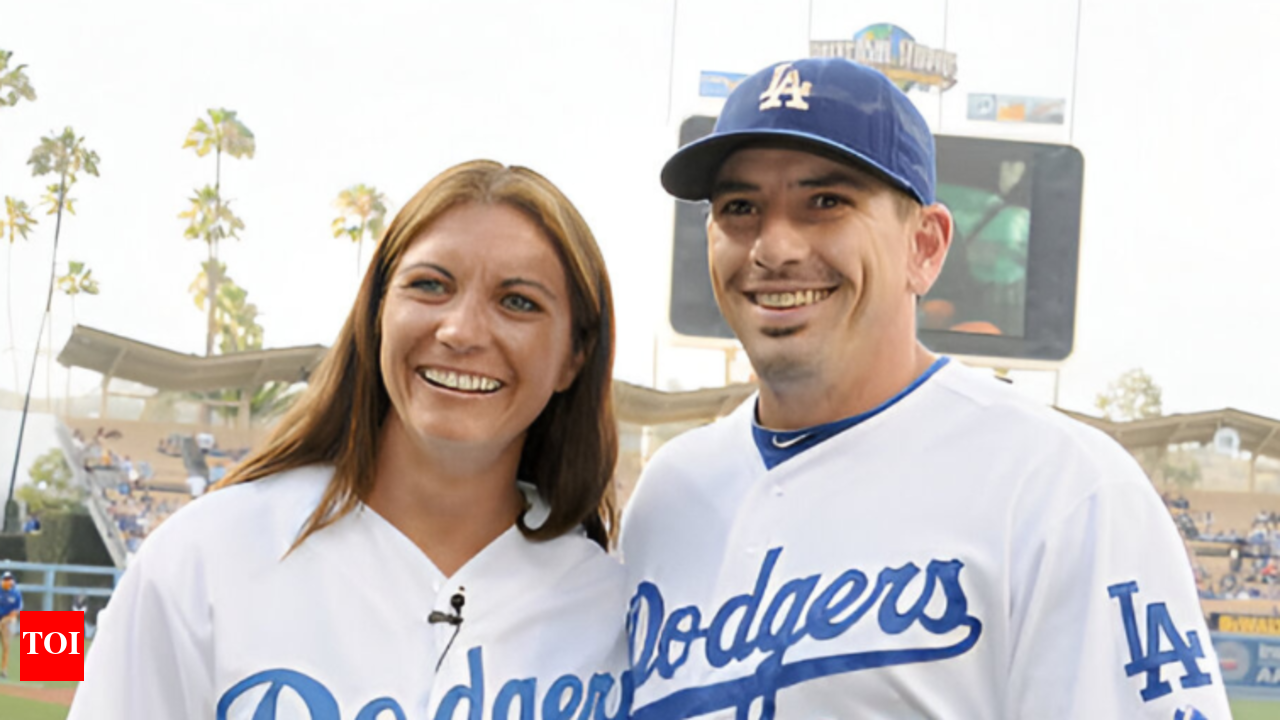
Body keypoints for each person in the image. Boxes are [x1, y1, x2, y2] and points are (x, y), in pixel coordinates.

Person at [619, 57, 1230, 718]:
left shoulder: (1062, 487)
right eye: (740, 207)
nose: (775, 247)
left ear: (925, 247)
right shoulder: (669, 493)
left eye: (825, 202)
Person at [70, 161, 629, 718]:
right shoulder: (207, 556)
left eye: (519, 302)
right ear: (378, 313)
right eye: (430, 286)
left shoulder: (609, 607)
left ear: (574, 356)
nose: (460, 331)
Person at [0, 571, 21, 679]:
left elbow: (15, 611)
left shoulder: (15, 594)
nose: (8, 581)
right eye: (6, 579)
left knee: (6, 645)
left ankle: (4, 670)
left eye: (10, 579)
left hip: (7, 620)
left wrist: (5, 620)